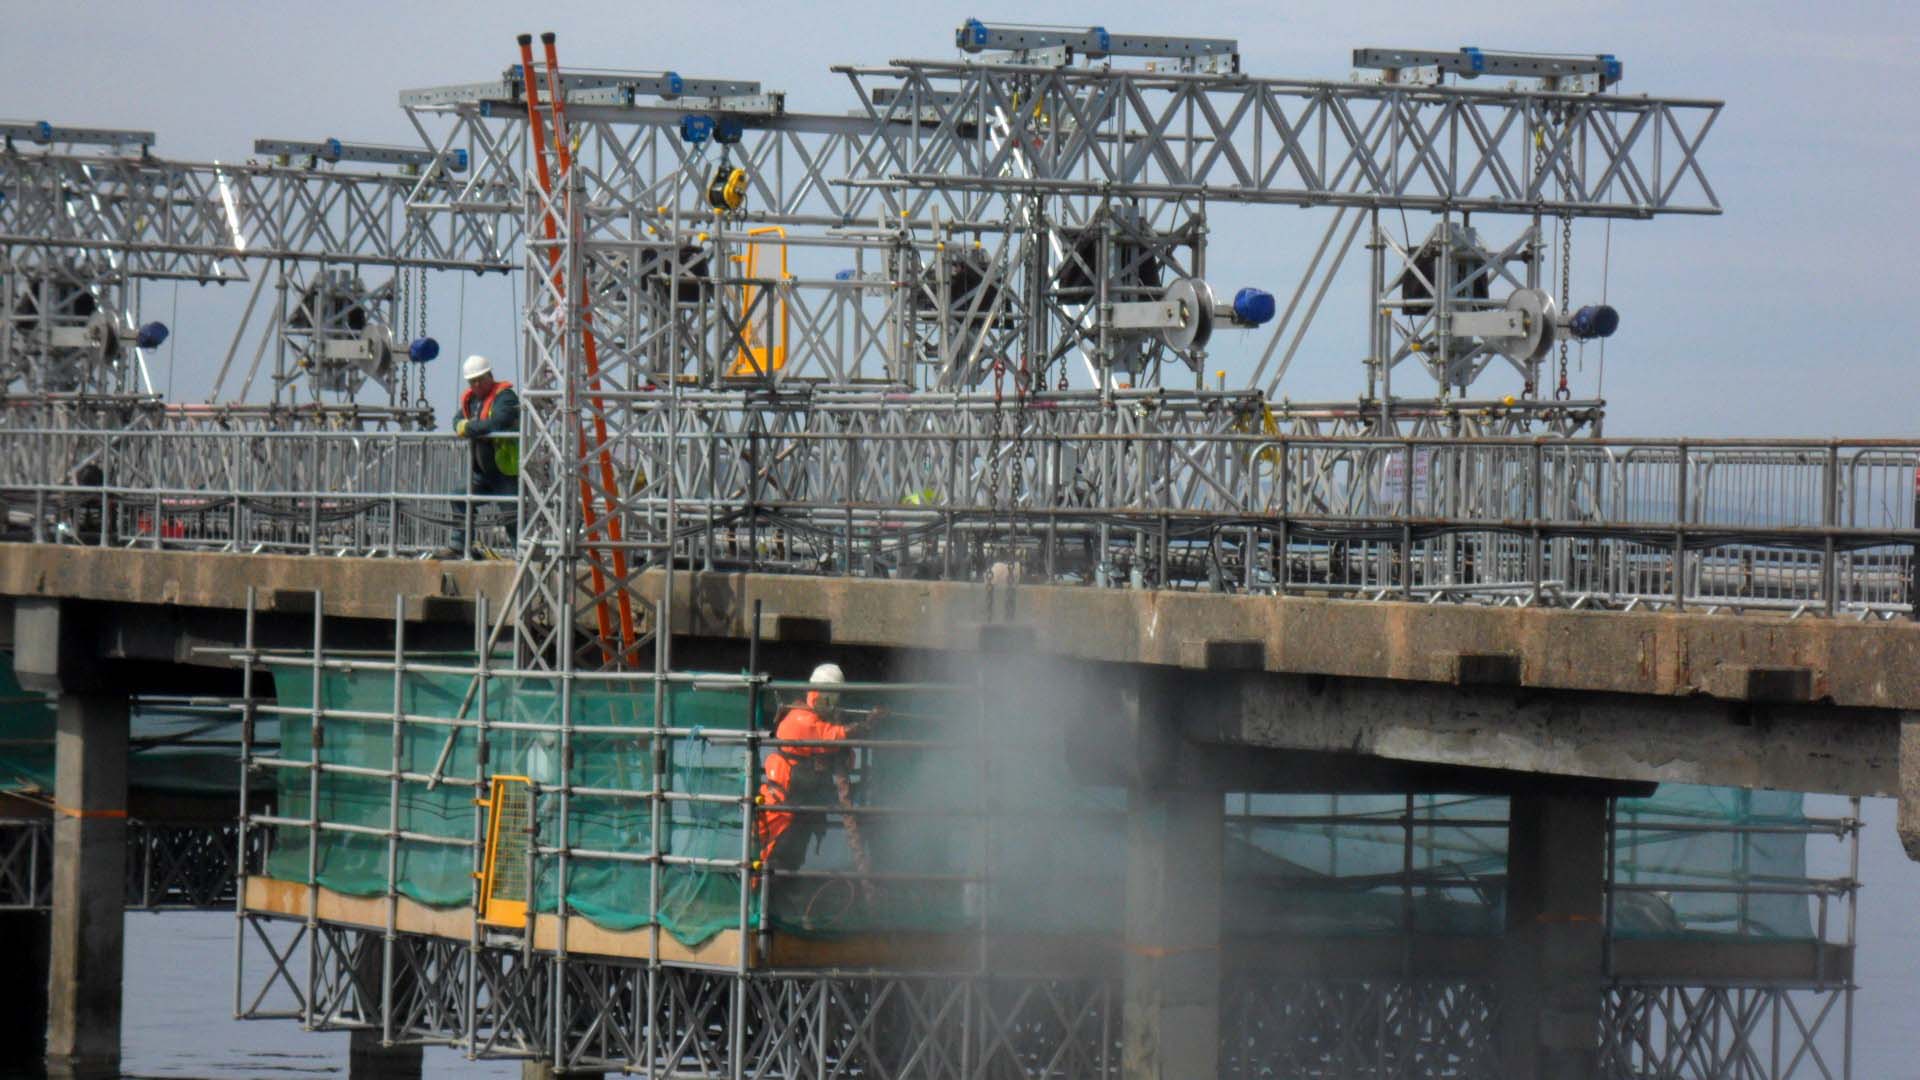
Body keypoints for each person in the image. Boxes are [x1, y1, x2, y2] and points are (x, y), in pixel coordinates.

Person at [755, 663, 877, 874]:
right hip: (784, 807)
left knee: (790, 860)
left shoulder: (809, 716)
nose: (836, 704)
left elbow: (834, 745)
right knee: (773, 859)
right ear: (827, 695)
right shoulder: (802, 720)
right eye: (836, 696)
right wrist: (866, 724)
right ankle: (761, 899)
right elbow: (832, 735)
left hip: (798, 802)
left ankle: (779, 898)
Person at [442, 354, 520, 557]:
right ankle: (459, 545)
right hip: (483, 473)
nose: (476, 385)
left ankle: (524, 554)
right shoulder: (473, 401)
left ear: (489, 376)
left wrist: (468, 428)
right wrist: (467, 426)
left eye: (480, 379)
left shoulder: (506, 397)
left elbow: (497, 423)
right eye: (472, 381)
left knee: (512, 515)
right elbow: (457, 421)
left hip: (505, 471)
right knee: (460, 497)